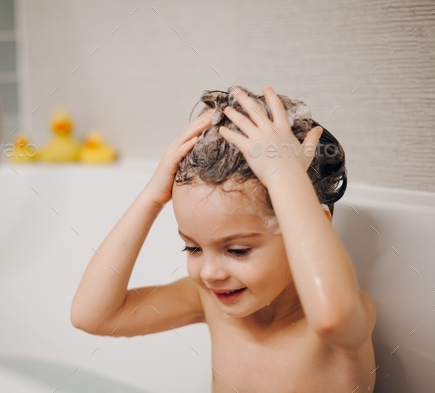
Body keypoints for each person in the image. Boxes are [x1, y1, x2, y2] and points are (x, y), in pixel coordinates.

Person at [71, 84, 377, 392]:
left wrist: (284, 176)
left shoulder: (348, 321)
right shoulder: (210, 301)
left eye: (238, 250)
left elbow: (331, 318)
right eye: (192, 248)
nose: (210, 273)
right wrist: (152, 196)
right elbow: (93, 316)